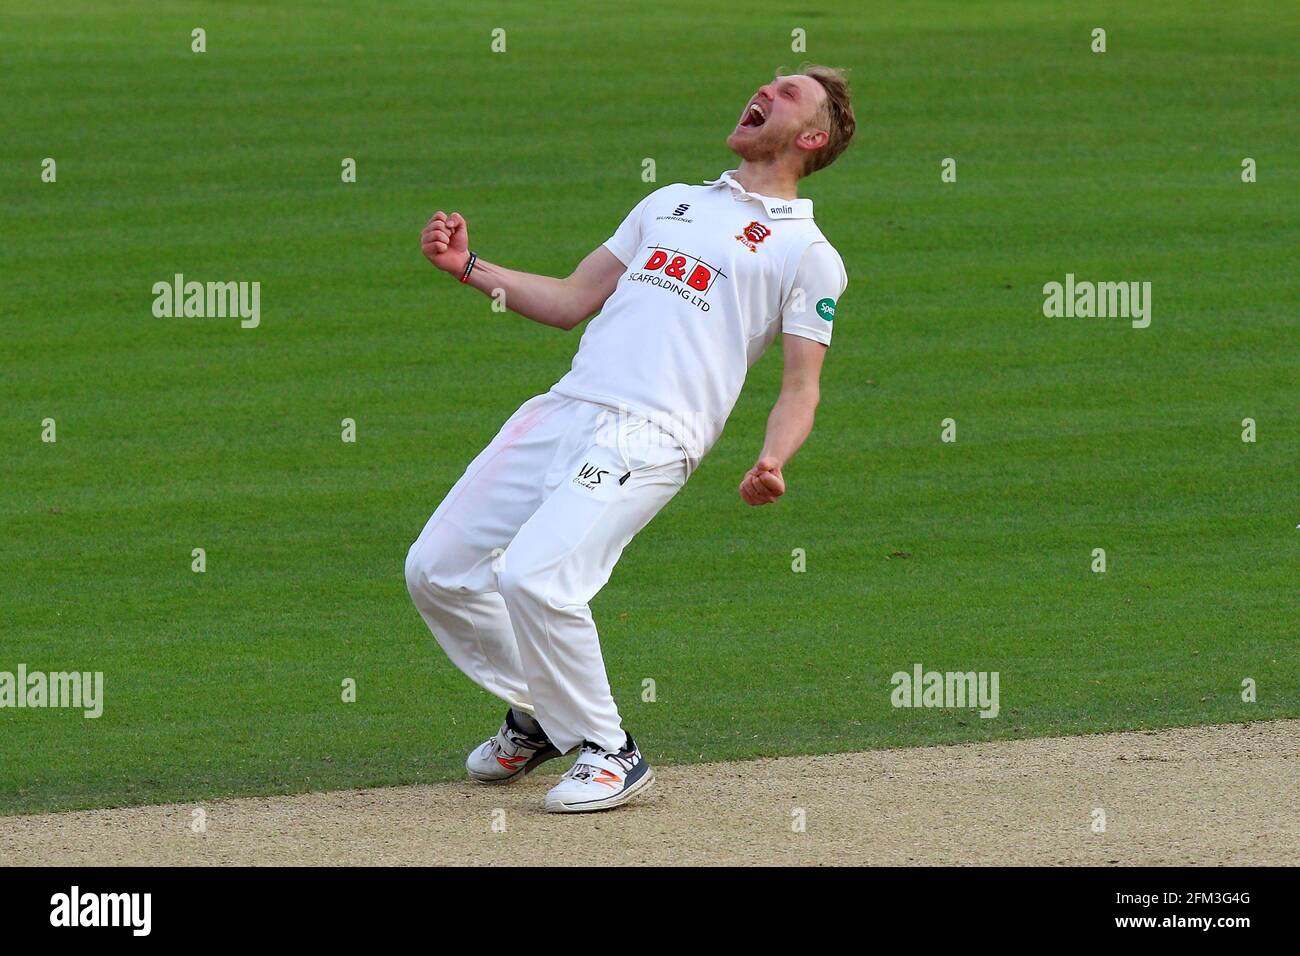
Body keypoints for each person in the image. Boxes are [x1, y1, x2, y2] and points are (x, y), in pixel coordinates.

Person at [406, 65, 856, 813]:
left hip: (653, 433)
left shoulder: (807, 253)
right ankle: (543, 716)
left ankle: (611, 751)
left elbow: (801, 385)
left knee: (535, 578)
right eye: (767, 82)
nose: (764, 91)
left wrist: (774, 457)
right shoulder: (669, 202)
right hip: (564, 409)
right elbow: (570, 301)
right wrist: (468, 268)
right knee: (437, 569)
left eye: (788, 94)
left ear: (811, 137)